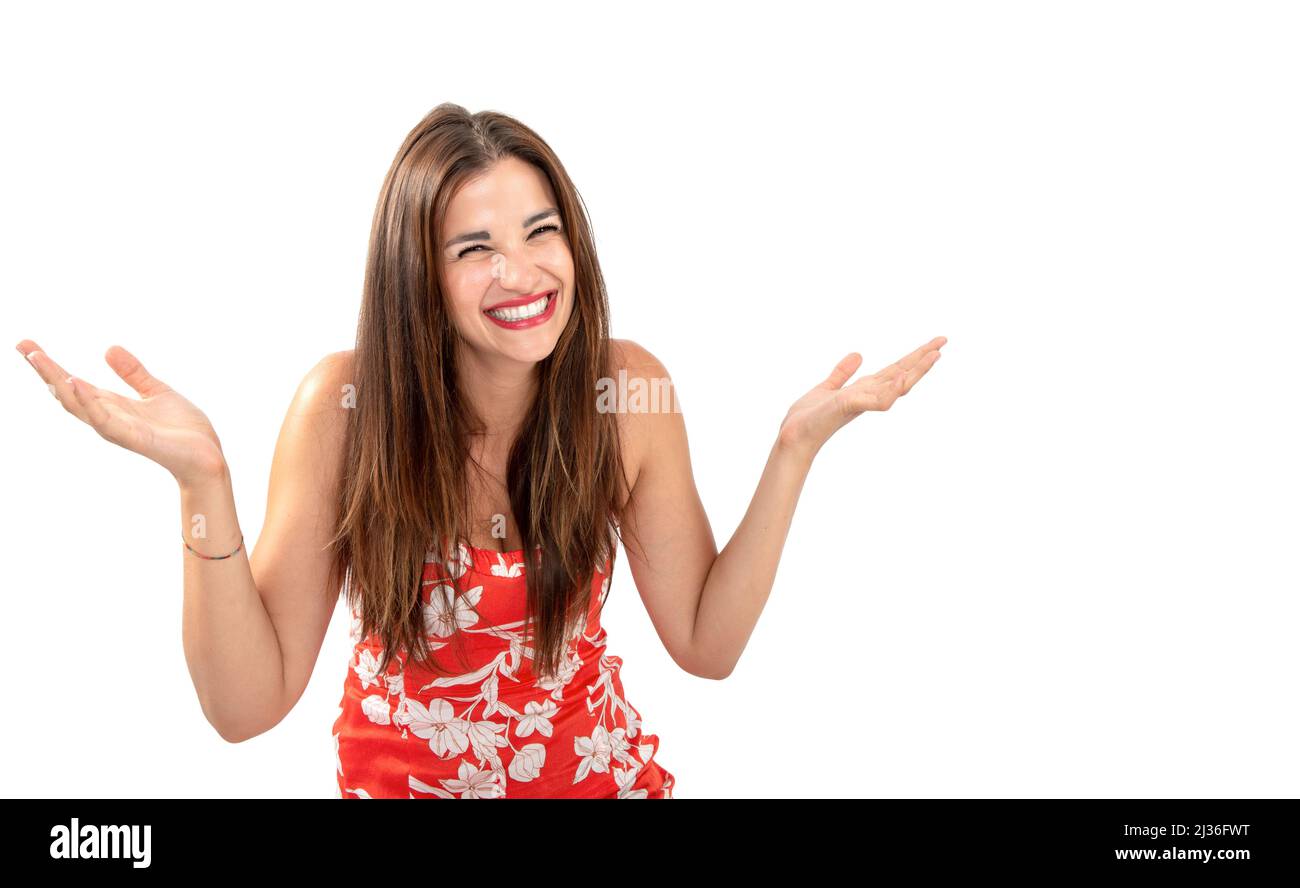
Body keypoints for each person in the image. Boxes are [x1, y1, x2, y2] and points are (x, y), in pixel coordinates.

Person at [15, 102, 946, 798]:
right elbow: (244, 709)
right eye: (476, 248)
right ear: (417, 273)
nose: (523, 273)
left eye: (542, 232)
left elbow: (707, 644)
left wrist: (793, 451)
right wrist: (201, 481)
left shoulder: (626, 393)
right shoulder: (342, 406)